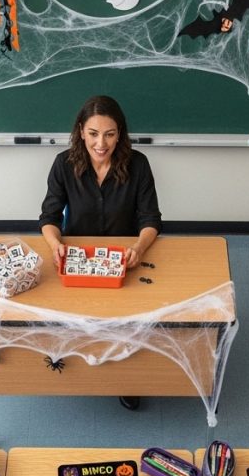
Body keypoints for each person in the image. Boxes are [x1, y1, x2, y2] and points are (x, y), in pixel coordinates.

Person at [39, 94, 162, 410]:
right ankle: (79, 365)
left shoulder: (139, 164)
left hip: (124, 259)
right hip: (78, 257)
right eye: (93, 133)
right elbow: (49, 218)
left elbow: (151, 219)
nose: (101, 143)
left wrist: (138, 246)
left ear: (120, 133)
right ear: (81, 131)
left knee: (126, 322)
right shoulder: (63, 164)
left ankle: (127, 377)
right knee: (78, 319)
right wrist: (56, 245)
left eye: (109, 133)